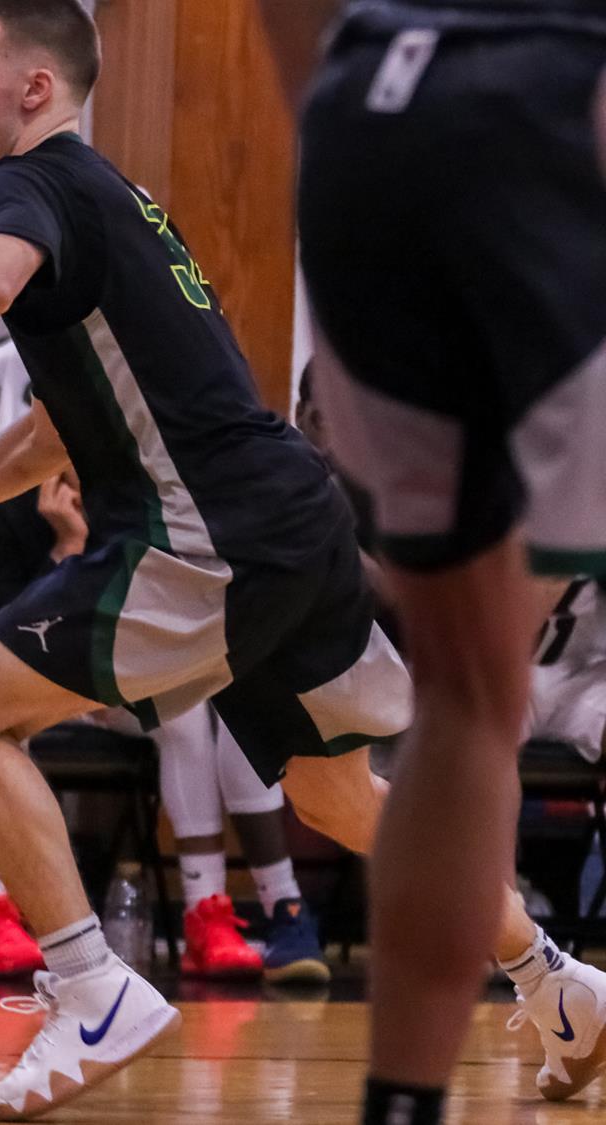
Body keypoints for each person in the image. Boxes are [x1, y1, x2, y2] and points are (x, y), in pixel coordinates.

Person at [0, 2, 589, 1118]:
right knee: (334, 792)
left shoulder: (32, 185)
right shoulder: (106, 203)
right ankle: (558, 980)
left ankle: (88, 985)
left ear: (29, 90)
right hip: (286, 521)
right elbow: (49, 437)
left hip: (204, 529)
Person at [264, 2, 606, 1117]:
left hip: (371, 107)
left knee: (464, 702)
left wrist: (323, 119)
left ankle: (401, 1102)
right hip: (561, 91)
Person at [0, 472, 333, 984]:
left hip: (109, 678)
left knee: (183, 713)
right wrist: (69, 548)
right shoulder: (2, 496)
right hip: (23, 674)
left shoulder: (139, 493)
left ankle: (205, 912)